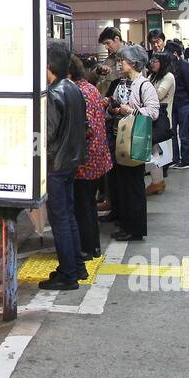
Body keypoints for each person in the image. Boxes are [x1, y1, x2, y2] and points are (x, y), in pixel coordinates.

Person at [42, 42, 88, 290]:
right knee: (69, 215)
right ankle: (76, 266)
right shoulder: (71, 87)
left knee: (59, 219)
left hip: (56, 163)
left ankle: (68, 275)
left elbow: (48, 133)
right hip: (72, 160)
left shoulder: (53, 94)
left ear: (48, 66)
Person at [106, 45, 159, 242]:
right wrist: (113, 108)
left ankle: (136, 229)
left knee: (134, 186)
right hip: (121, 139)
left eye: (124, 61)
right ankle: (126, 224)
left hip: (134, 140)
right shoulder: (123, 82)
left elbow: (153, 112)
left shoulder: (144, 85)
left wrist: (130, 111)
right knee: (123, 186)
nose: (120, 64)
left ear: (134, 63)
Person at [70, 54, 111, 259]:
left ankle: (86, 248)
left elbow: (85, 128)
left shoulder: (76, 92)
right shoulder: (91, 89)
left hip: (85, 160)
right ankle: (93, 246)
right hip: (98, 157)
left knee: (82, 206)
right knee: (89, 205)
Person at [145, 52, 175, 194]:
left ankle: (158, 182)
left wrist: (146, 93)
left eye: (156, 61)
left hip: (162, 118)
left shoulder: (168, 77)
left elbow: (158, 95)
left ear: (163, 62)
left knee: (155, 149)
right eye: (152, 61)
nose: (152, 63)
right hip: (152, 117)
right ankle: (158, 181)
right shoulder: (152, 76)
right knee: (154, 149)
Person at [167, 39, 189, 169]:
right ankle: (174, 159)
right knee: (172, 132)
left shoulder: (185, 66)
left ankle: (185, 160)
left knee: (183, 134)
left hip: (185, 104)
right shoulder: (170, 67)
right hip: (173, 105)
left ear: (175, 53)